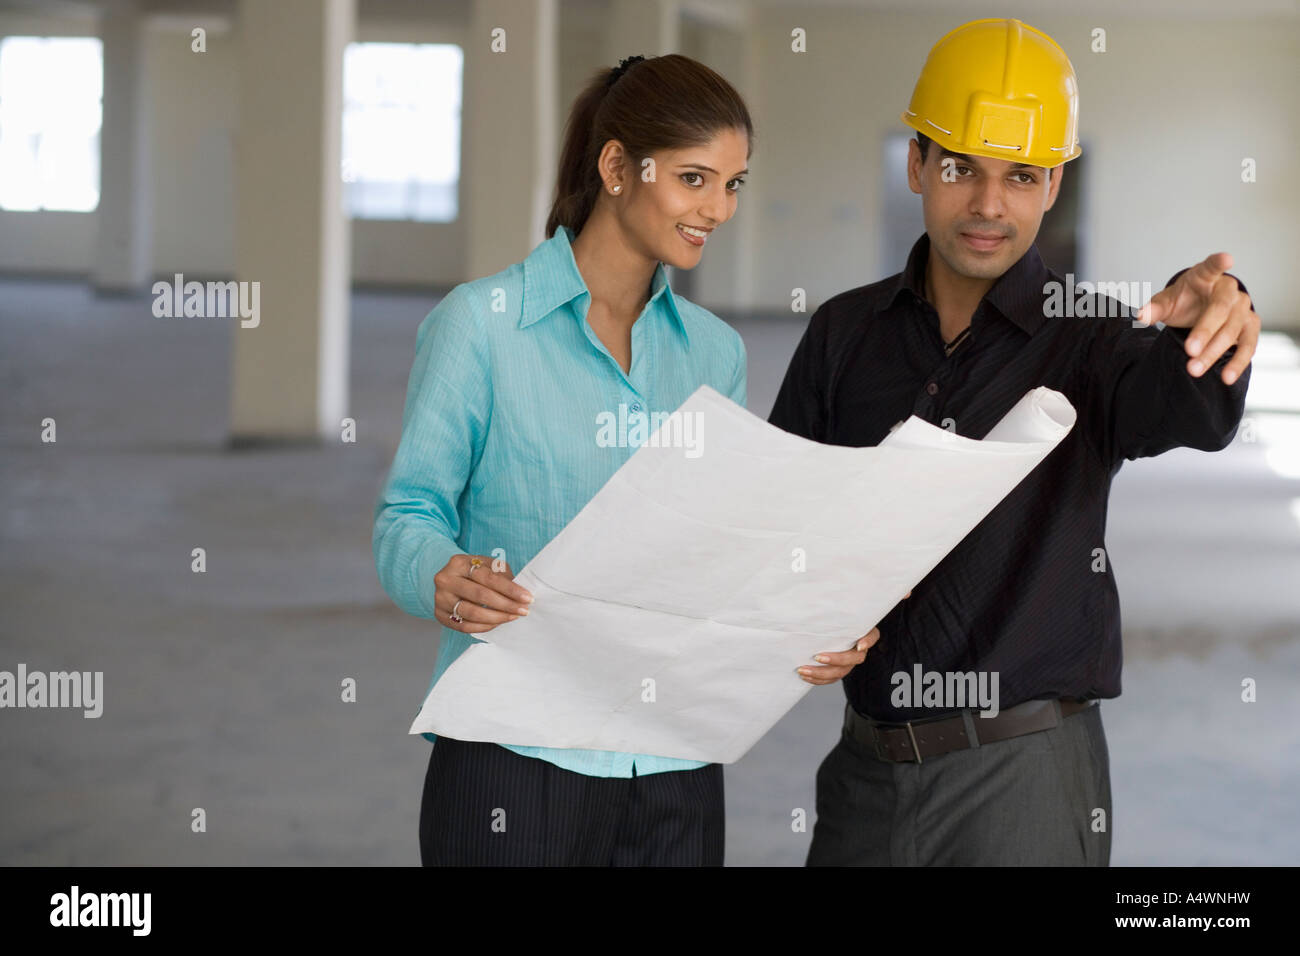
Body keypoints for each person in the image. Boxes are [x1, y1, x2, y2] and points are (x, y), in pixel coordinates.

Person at [768, 18, 1259, 866]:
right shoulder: (844, 334)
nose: (989, 204)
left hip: (1023, 781)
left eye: (1020, 176)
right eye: (961, 168)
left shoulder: (1096, 340)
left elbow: (1190, 410)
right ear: (918, 163)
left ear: (1053, 186)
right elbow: (777, 515)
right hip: (864, 773)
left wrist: (1216, 322)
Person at [373, 53, 876, 867]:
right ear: (616, 166)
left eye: (734, 184)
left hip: (672, 759)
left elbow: (724, 548)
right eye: (694, 179)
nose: (718, 208)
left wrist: (816, 613)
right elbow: (408, 515)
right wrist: (438, 572)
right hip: (513, 752)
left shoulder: (714, 353)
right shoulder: (481, 326)